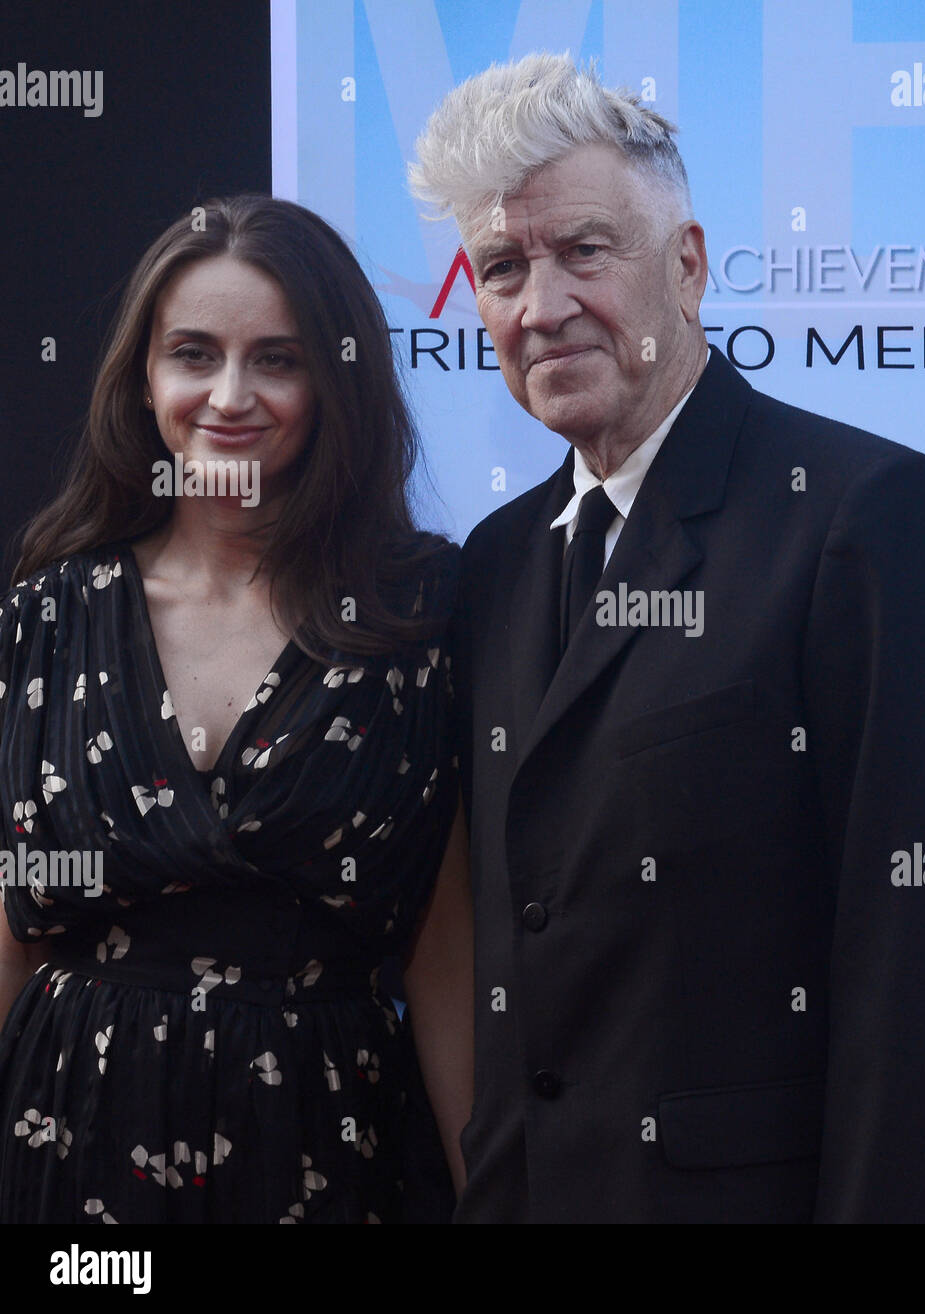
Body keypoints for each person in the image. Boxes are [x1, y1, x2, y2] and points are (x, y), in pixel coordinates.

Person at [410, 54, 925, 1223]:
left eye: (584, 250)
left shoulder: (863, 515)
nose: (541, 305)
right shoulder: (491, 564)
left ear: (686, 265)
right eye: (502, 268)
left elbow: (921, 978)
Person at [0, 195, 473, 1223]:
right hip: (73, 1128)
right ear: (144, 378)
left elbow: (445, 943)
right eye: (193, 354)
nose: (229, 395)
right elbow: (11, 927)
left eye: (278, 359)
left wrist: (488, 1192)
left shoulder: (420, 612)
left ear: (334, 380)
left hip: (326, 1131)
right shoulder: (49, 612)